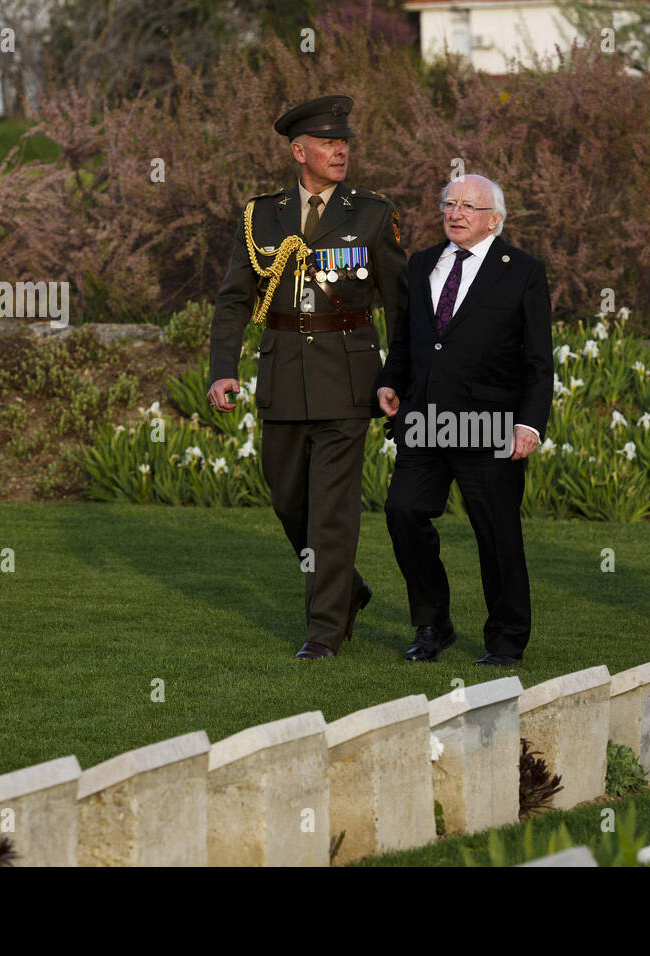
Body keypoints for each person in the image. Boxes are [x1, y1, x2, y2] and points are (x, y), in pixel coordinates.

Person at [207, 94, 407, 660]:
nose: (339, 151)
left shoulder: (371, 213)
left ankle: (324, 630)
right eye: (327, 143)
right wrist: (223, 370)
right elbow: (233, 301)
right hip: (282, 374)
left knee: (332, 511)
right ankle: (348, 588)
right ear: (300, 151)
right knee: (288, 497)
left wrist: (398, 373)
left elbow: (401, 304)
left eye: (344, 142)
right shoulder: (261, 215)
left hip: (347, 376)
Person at [377, 174, 552, 665]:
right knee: (403, 512)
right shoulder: (421, 264)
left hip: (491, 424)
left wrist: (529, 424)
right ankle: (433, 624)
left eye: (468, 207)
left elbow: (540, 361)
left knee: (496, 534)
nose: (455, 213)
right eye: (448, 204)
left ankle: (506, 641)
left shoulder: (522, 271)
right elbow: (408, 340)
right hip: (424, 420)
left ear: (494, 218)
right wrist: (392, 380)